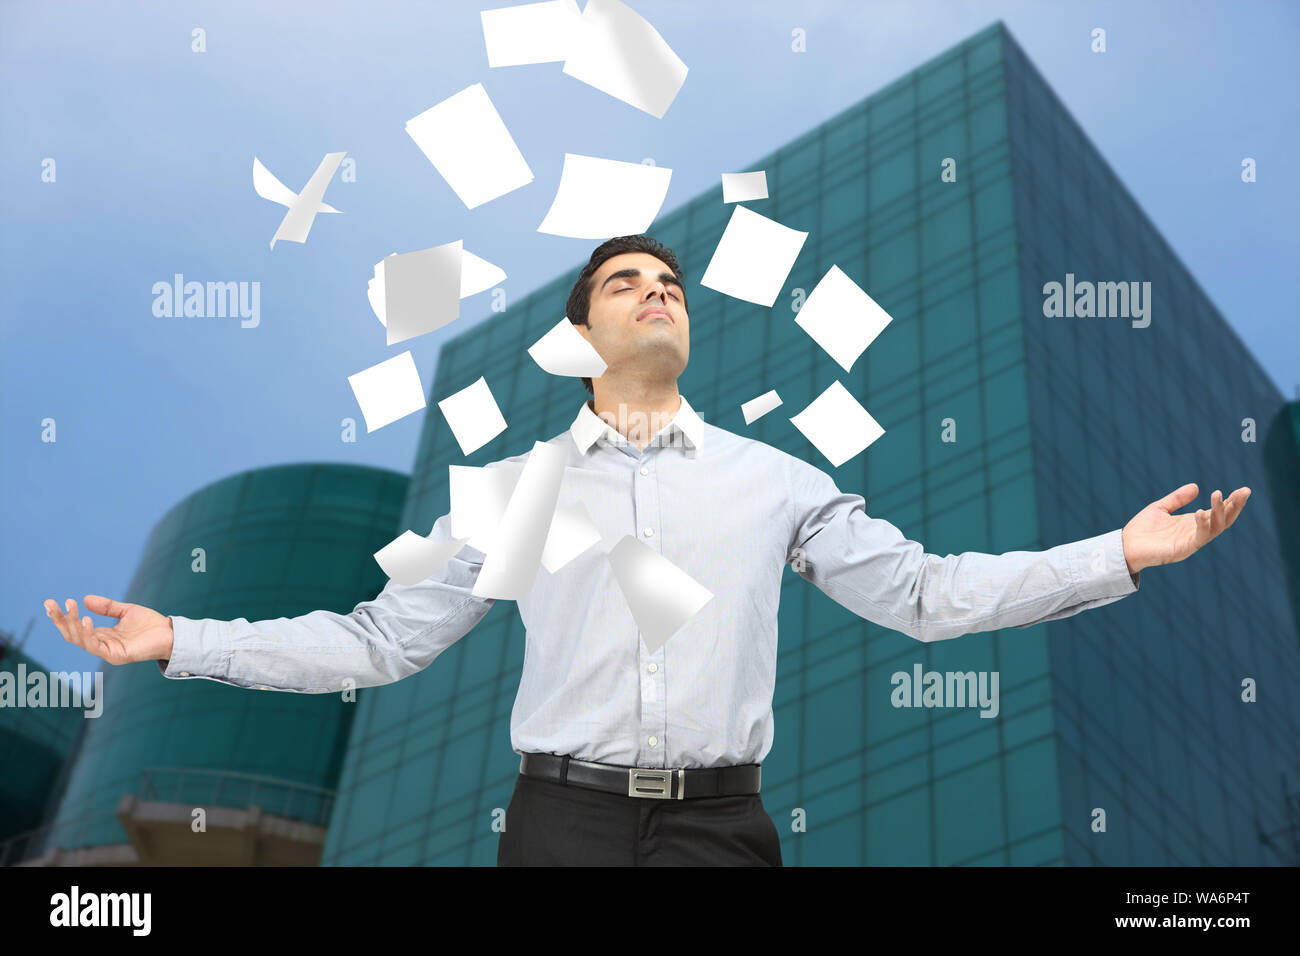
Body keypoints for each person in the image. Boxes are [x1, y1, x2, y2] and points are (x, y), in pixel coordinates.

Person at [44, 235, 1251, 867]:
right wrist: (179, 636)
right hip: (558, 823)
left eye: (669, 281)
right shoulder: (518, 490)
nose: (655, 291)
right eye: (626, 282)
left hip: (723, 827)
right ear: (584, 333)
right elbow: (377, 640)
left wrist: (1120, 554)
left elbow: (927, 593)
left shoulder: (776, 480)